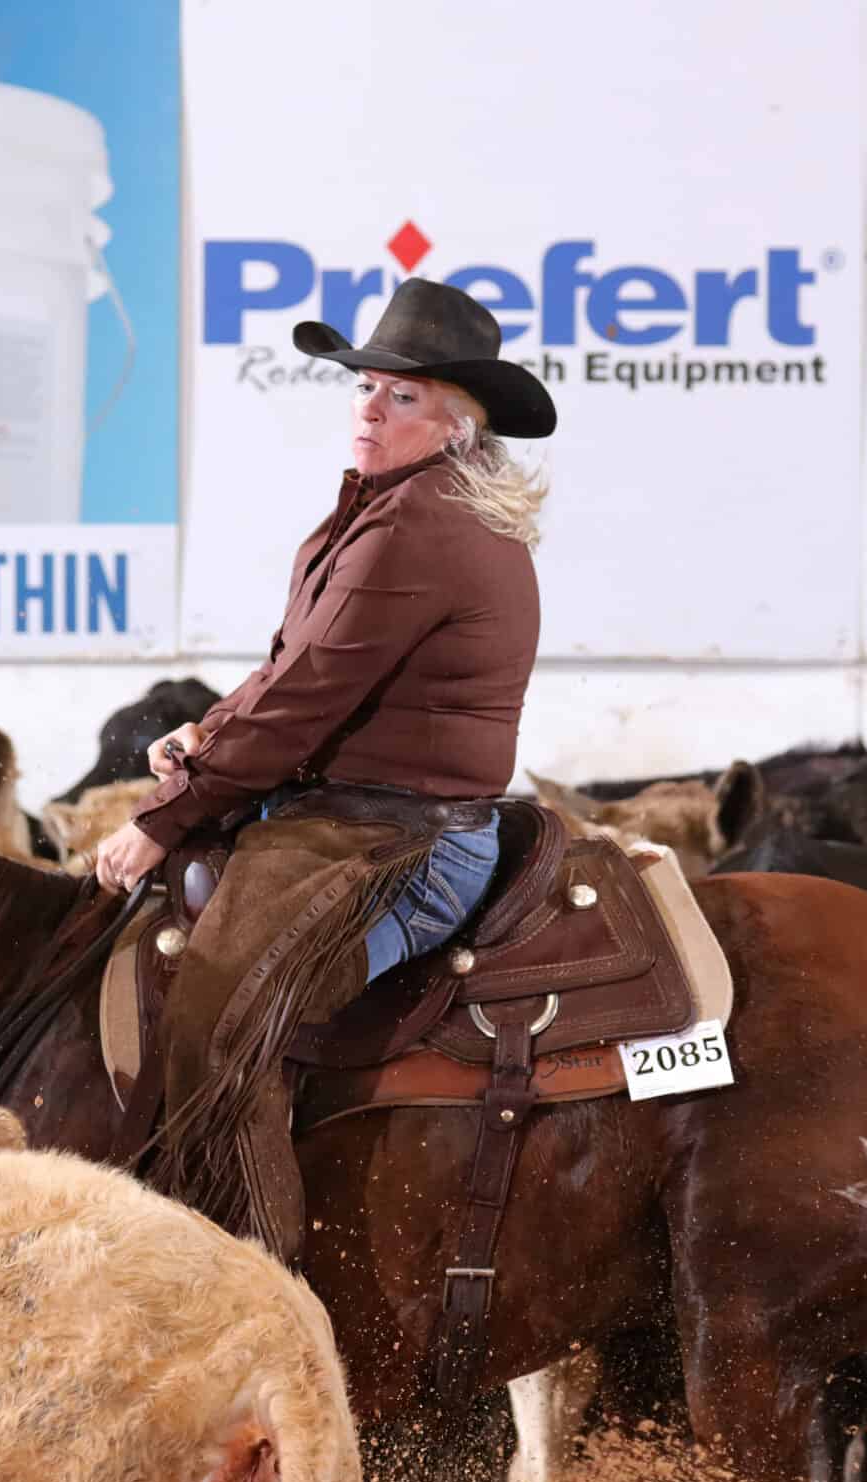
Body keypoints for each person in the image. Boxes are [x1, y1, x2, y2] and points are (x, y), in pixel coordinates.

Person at [93, 276, 555, 1264]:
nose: (369, 409)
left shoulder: (412, 529)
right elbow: (293, 668)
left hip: (396, 840)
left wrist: (163, 815)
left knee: (221, 1022)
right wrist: (206, 739)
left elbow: (304, 694)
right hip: (357, 819)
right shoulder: (399, 512)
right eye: (366, 388)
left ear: (458, 425)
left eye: (402, 396)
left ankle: (259, 1299)